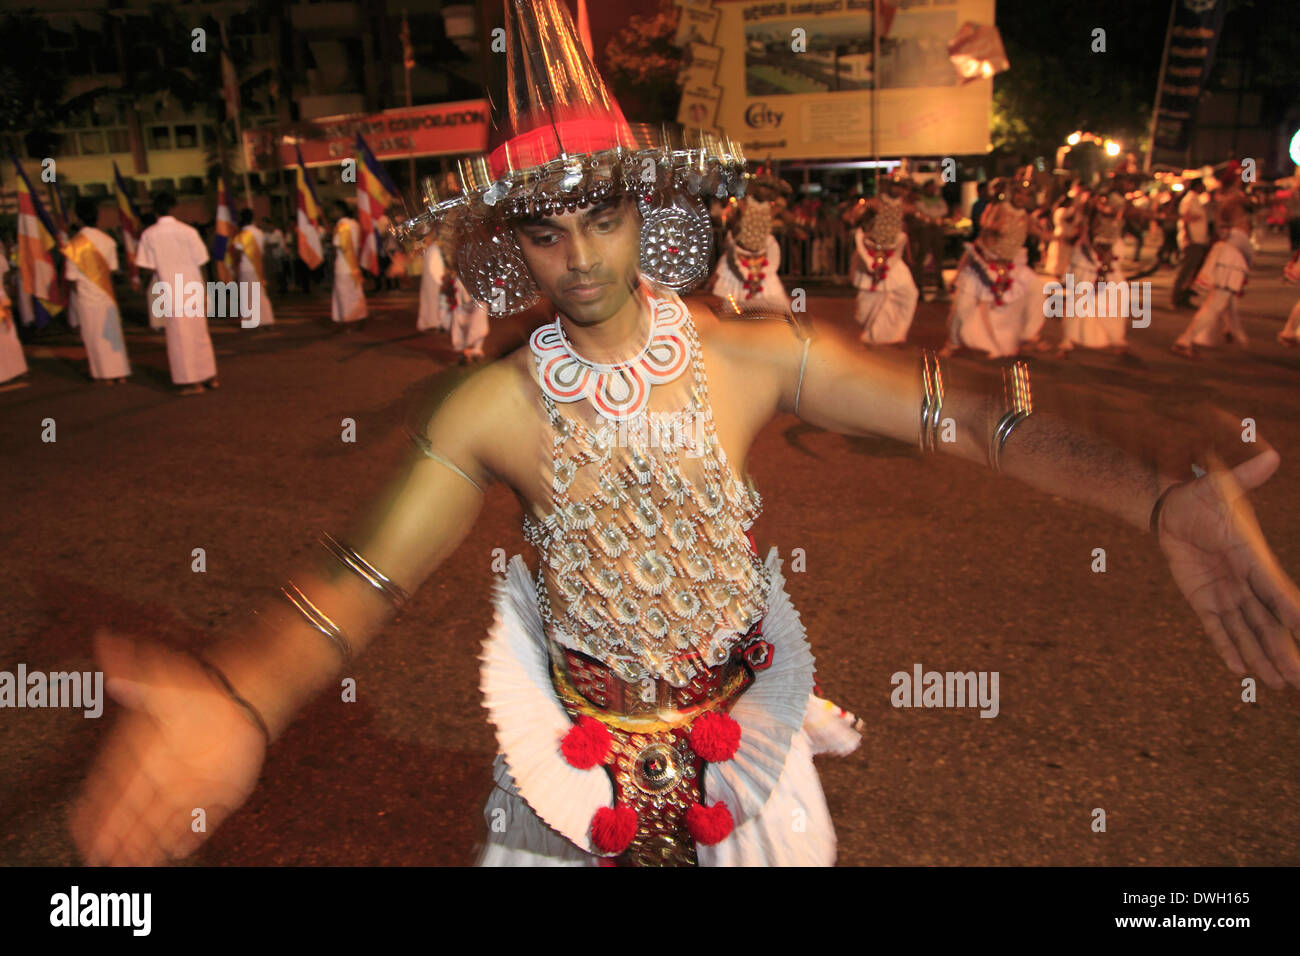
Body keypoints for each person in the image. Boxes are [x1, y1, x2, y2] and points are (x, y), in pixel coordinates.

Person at [70, 0, 1300, 871]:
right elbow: (353, 583)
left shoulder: (749, 358)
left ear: (646, 206)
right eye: (544, 230)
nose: (578, 256)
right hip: (573, 777)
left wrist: (1152, 491)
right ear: (512, 244)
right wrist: (241, 698)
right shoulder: (487, 406)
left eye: (601, 216)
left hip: (740, 750)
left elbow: (969, 414)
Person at [943, 173, 1052, 358]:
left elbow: (1042, 234)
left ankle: (1029, 335)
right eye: (1019, 192)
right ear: (1012, 193)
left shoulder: (1026, 217)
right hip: (981, 265)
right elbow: (984, 225)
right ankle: (952, 343)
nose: (1022, 197)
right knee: (962, 308)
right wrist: (996, 226)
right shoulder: (999, 208)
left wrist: (1062, 236)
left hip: (1007, 267)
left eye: (1026, 195)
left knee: (1036, 290)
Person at [134, 193, 218, 394]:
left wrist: (144, 284)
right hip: (193, 288)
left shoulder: (149, 235)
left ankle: (192, 382)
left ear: (155, 211)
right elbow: (202, 261)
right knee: (200, 335)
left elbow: (147, 266)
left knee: (180, 339)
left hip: (172, 291)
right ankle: (209, 376)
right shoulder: (188, 231)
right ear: (174, 208)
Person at [1171, 171, 1254, 358]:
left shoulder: (1224, 202)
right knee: (1216, 303)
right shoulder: (1235, 203)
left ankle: (1234, 333)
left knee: (1226, 299)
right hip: (1231, 257)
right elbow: (1239, 234)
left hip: (1228, 254)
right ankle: (1184, 340)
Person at [63, 199, 131, 384]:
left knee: (94, 336)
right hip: (106, 295)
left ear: (78, 218)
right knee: (112, 334)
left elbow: (71, 277)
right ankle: (120, 373)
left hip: (86, 297)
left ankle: (104, 374)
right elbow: (113, 268)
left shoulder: (74, 245)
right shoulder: (108, 241)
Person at [850, 171, 918, 346]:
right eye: (897, 185)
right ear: (888, 185)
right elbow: (852, 220)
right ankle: (869, 336)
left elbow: (910, 227)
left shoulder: (907, 207)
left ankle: (897, 334)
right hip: (870, 254)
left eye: (903, 187)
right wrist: (861, 209)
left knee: (909, 293)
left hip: (893, 256)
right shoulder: (874, 204)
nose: (900, 190)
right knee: (868, 301)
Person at [1058, 191, 1129, 356]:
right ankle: (1067, 340)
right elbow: (1089, 240)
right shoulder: (1090, 218)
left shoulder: (1117, 221)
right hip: (1087, 263)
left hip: (1108, 264)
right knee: (1079, 301)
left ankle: (1115, 337)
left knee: (1117, 297)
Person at [709, 192, 791, 314]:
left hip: (762, 274)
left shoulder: (769, 241)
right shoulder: (734, 238)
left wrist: (760, 275)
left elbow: (773, 260)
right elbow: (732, 260)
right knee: (733, 305)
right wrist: (746, 275)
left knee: (768, 309)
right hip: (739, 273)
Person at [232, 209, 276, 329]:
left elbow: (238, 253)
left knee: (248, 295)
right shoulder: (259, 232)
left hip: (246, 267)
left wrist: (235, 267)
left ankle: (253, 320)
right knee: (260, 293)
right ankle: (266, 319)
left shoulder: (242, 235)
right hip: (258, 266)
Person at [1172, 178, 1210, 308]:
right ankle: (1177, 297)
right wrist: (1188, 238)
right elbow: (1185, 219)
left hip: (1198, 239)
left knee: (1192, 270)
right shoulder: (1189, 200)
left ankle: (1184, 296)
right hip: (1192, 240)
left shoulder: (1196, 199)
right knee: (1186, 269)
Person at [330, 200, 367, 328]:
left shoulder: (341, 226)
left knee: (344, 295)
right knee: (355, 294)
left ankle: (349, 322)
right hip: (354, 265)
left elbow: (338, 246)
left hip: (343, 266)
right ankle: (359, 317)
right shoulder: (355, 224)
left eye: (333, 210)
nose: (331, 213)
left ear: (340, 211)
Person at [911, 178, 949, 302]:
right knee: (921, 257)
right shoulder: (919, 200)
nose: (933, 190)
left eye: (934, 187)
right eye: (931, 187)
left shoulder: (939, 200)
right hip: (924, 230)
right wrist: (932, 218)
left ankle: (940, 283)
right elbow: (922, 213)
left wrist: (934, 218)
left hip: (937, 230)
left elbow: (944, 211)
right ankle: (918, 284)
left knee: (939, 257)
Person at [0, 238, 28, 385]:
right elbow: (6, 279)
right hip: (2, 299)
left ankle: (10, 371)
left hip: (1, 301)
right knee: (8, 334)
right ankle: (15, 369)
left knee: (7, 334)